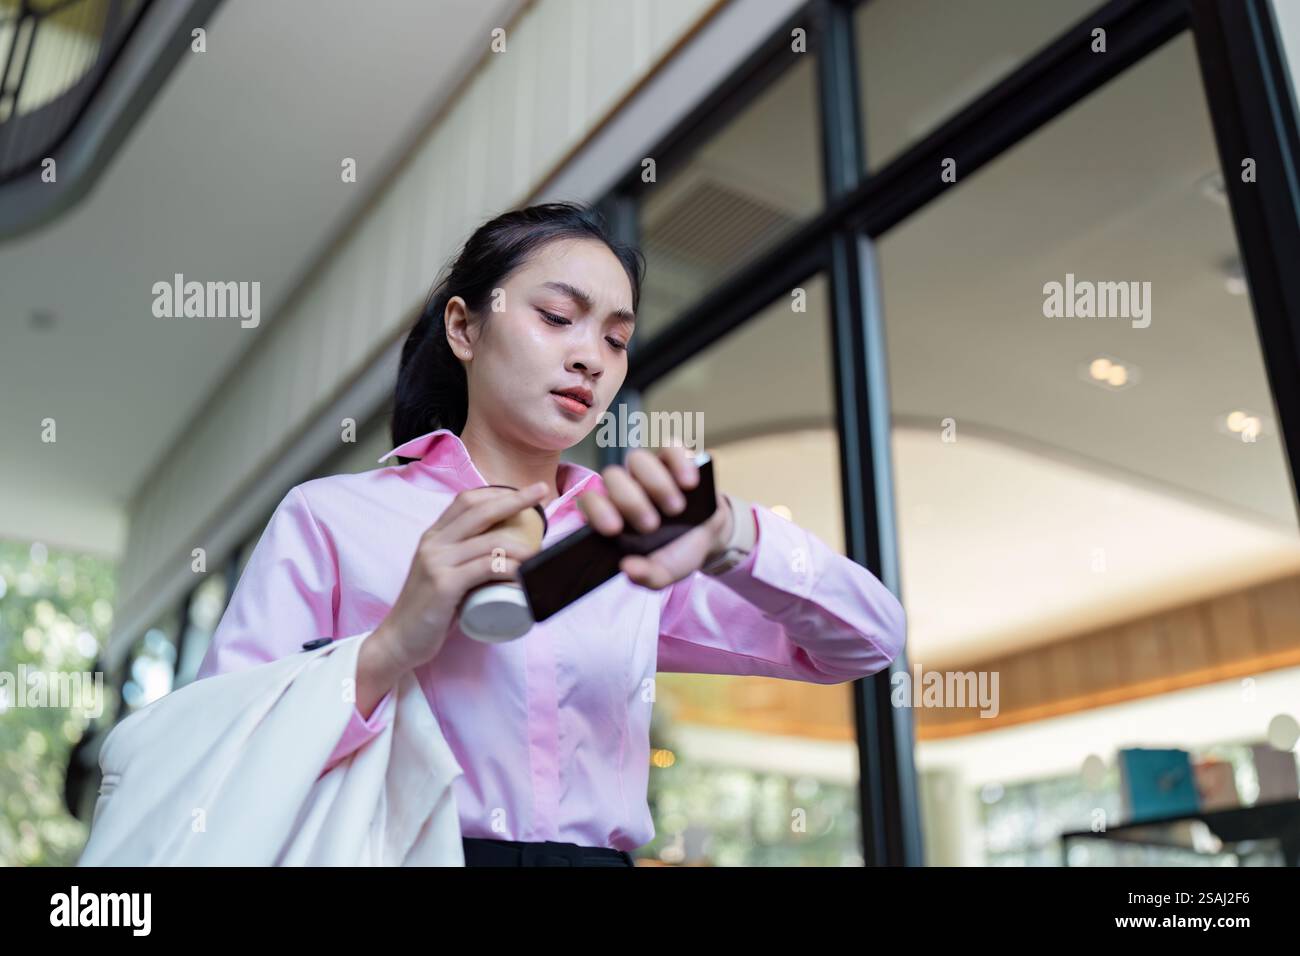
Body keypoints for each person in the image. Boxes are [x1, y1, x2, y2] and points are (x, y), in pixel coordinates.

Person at [196, 201, 907, 867]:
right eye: (558, 316)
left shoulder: (628, 539)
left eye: (617, 338)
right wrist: (387, 648)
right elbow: (219, 755)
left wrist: (730, 534)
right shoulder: (331, 518)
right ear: (464, 328)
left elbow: (868, 641)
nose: (592, 357)